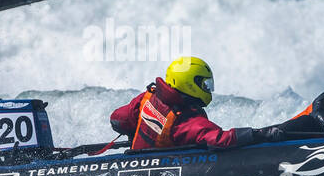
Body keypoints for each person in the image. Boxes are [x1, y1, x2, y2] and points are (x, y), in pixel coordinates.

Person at [110, 57, 284, 151]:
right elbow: (220, 139)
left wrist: (140, 134)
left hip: (136, 159)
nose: (208, 90)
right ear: (189, 84)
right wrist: (257, 134)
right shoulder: (185, 121)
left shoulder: (147, 97)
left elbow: (118, 120)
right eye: (205, 85)